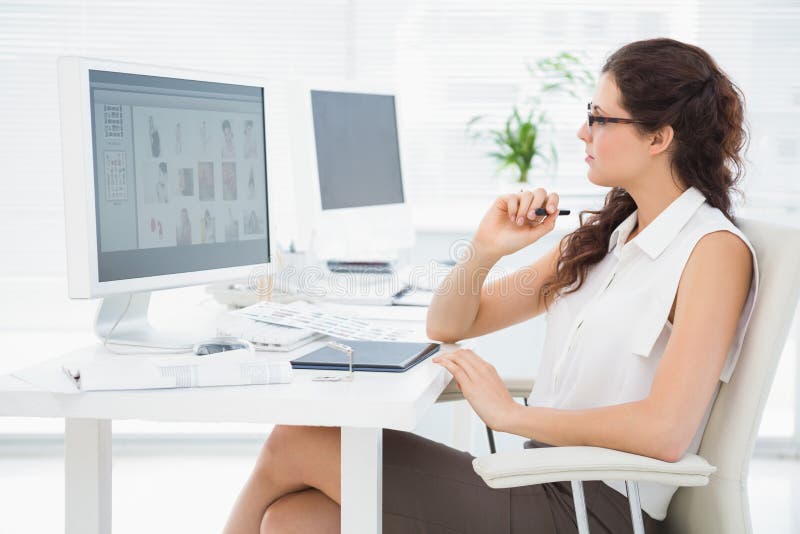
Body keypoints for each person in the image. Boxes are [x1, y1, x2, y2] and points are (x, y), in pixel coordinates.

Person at [222, 38, 758, 534]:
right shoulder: (610, 237)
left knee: (297, 440)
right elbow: (450, 323)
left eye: (598, 118)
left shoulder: (712, 251)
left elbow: (666, 431)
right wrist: (486, 249)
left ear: (659, 137)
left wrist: (511, 415)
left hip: (596, 508)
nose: (582, 132)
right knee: (295, 520)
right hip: (540, 476)